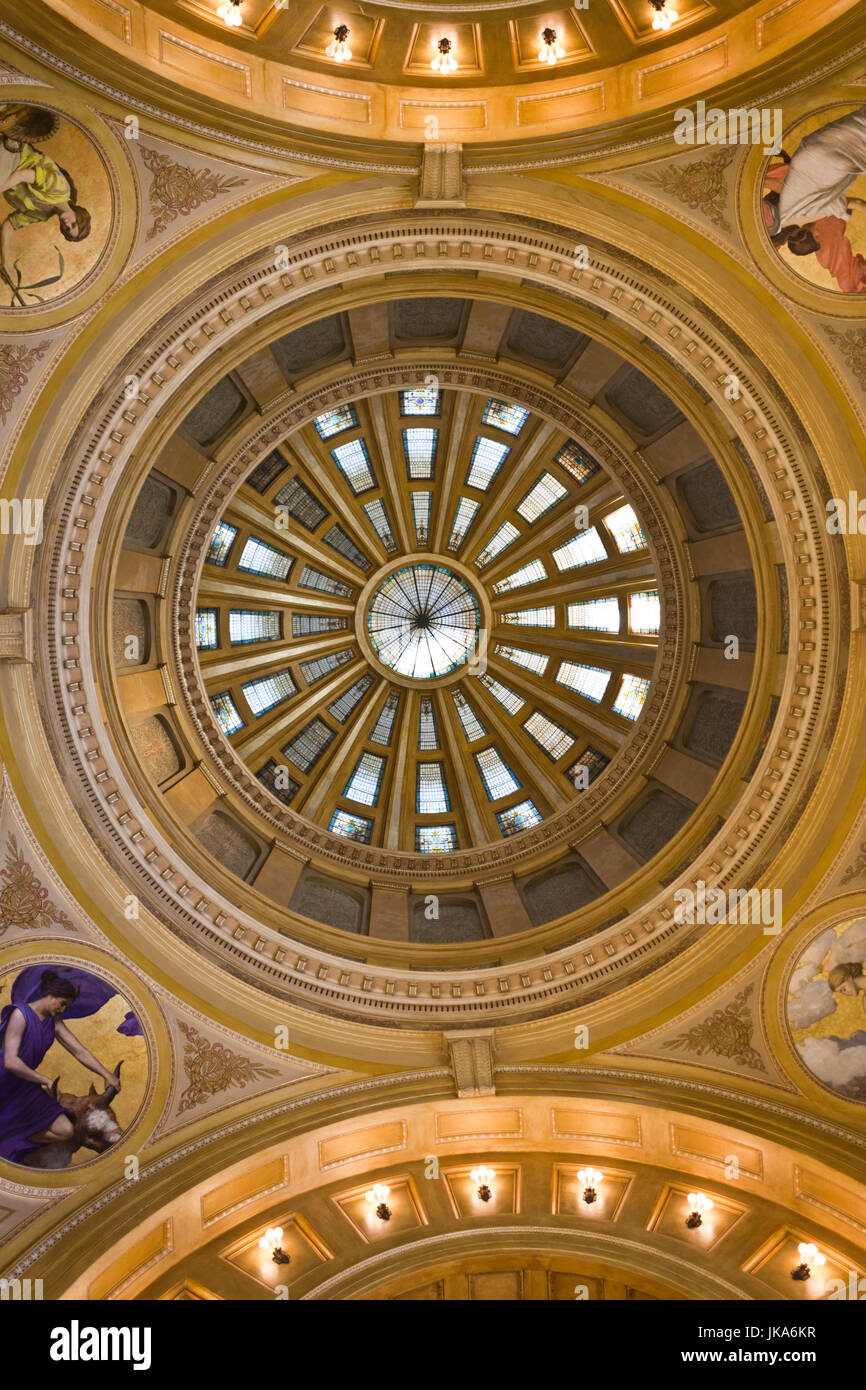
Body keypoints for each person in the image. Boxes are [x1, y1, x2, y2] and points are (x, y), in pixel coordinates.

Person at [0, 969, 121, 1165]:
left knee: (66, 1131)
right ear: (50, 996)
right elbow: (10, 1061)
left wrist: (106, 1074)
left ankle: (8, 1140)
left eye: (67, 1006)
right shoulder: (20, 1014)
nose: (63, 1009)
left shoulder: (53, 1022)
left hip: (25, 1086)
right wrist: (44, 1080)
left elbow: (79, 1051)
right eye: (62, 1003)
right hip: (4, 1083)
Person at [762, 107, 866, 292]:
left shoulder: (796, 217)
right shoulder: (789, 215)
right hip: (811, 152)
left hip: (829, 161)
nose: (820, 233)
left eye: (817, 237)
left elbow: (855, 203)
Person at [0, 139, 91, 281]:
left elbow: (9, 226)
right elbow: (21, 175)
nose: (67, 225)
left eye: (67, 229)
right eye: (73, 224)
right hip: (15, 157)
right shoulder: (60, 189)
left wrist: (4, 263)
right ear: (78, 214)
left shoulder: (43, 215)